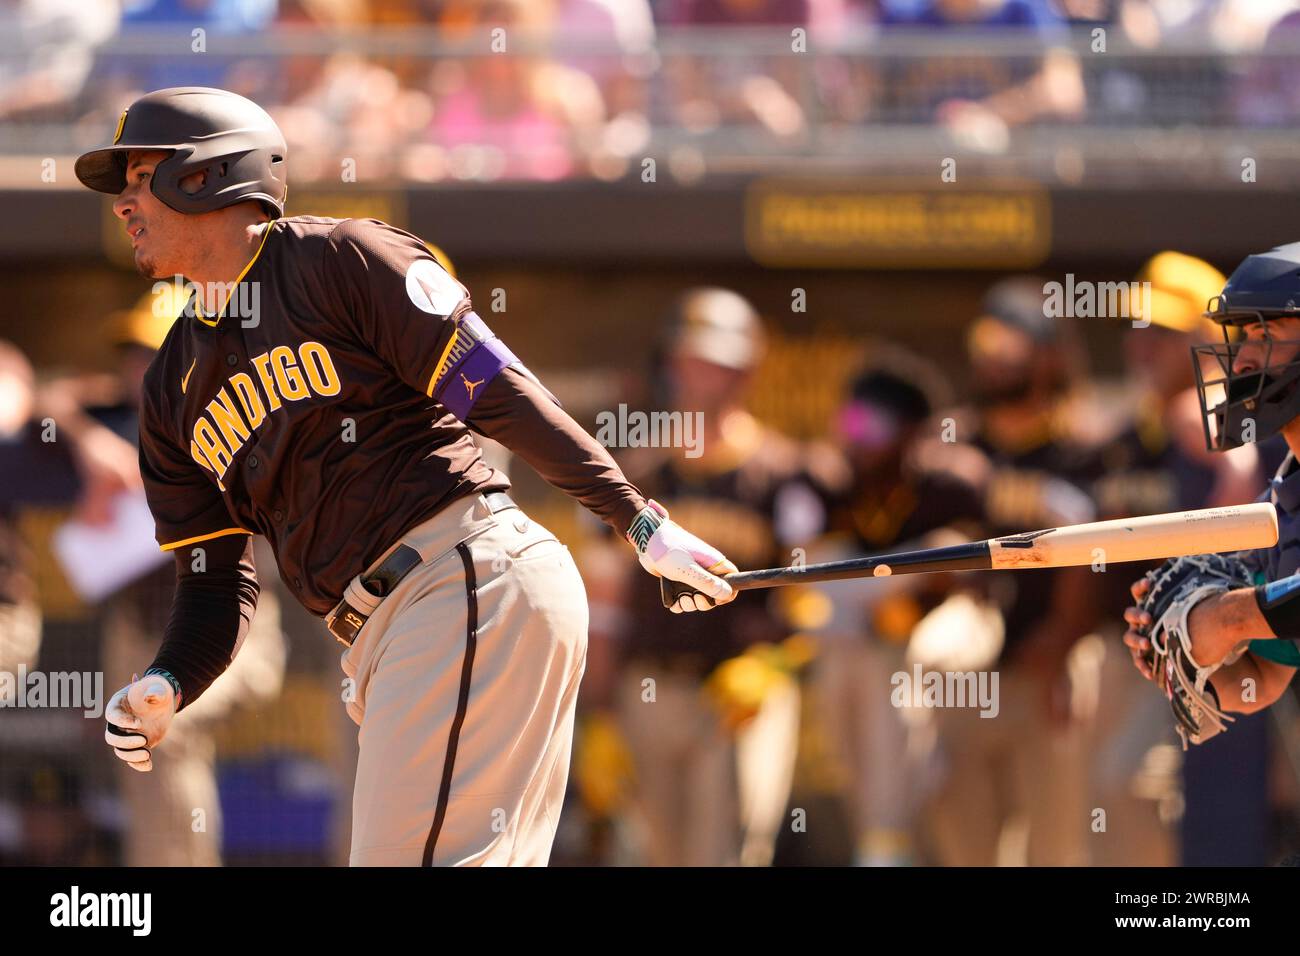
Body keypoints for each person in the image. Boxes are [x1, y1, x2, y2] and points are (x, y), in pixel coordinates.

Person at [75, 86, 741, 867]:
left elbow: (497, 391)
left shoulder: (340, 260)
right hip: (400, 627)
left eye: (140, 175)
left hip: (461, 580)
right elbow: (215, 581)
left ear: (206, 176)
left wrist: (637, 520)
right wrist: (170, 677)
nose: (122, 202)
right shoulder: (169, 387)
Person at [585, 288, 814, 866]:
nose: (695, 376)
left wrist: (774, 665)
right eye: (686, 360)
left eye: (712, 362)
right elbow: (606, 604)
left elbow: (817, 599)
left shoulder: (784, 473)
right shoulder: (635, 477)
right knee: (654, 855)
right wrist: (600, 716)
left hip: (739, 698)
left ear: (744, 371)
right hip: (651, 692)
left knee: (727, 856)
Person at [922, 277, 1099, 866]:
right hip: (965, 679)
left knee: (1056, 847)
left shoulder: (1087, 446)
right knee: (964, 845)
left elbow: (1107, 556)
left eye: (1011, 343)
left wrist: (1065, 637)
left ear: (1048, 354)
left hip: (1052, 675)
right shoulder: (952, 445)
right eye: (985, 342)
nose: (993, 357)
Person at [1122, 243, 1300, 800]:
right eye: (1242, 337)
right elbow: (1266, 680)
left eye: (1267, 334)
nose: (1244, 359)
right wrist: (1187, 664)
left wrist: (1225, 618)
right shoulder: (1289, 490)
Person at [805, 356, 984, 866]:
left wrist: (906, 587)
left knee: (899, 661)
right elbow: (821, 574)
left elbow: (962, 569)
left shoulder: (951, 480)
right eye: (850, 421)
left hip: (956, 620)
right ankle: (880, 828)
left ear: (911, 431)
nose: (857, 437)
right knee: (844, 646)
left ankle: (895, 818)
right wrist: (896, 588)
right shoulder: (832, 480)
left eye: (872, 425)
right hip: (872, 632)